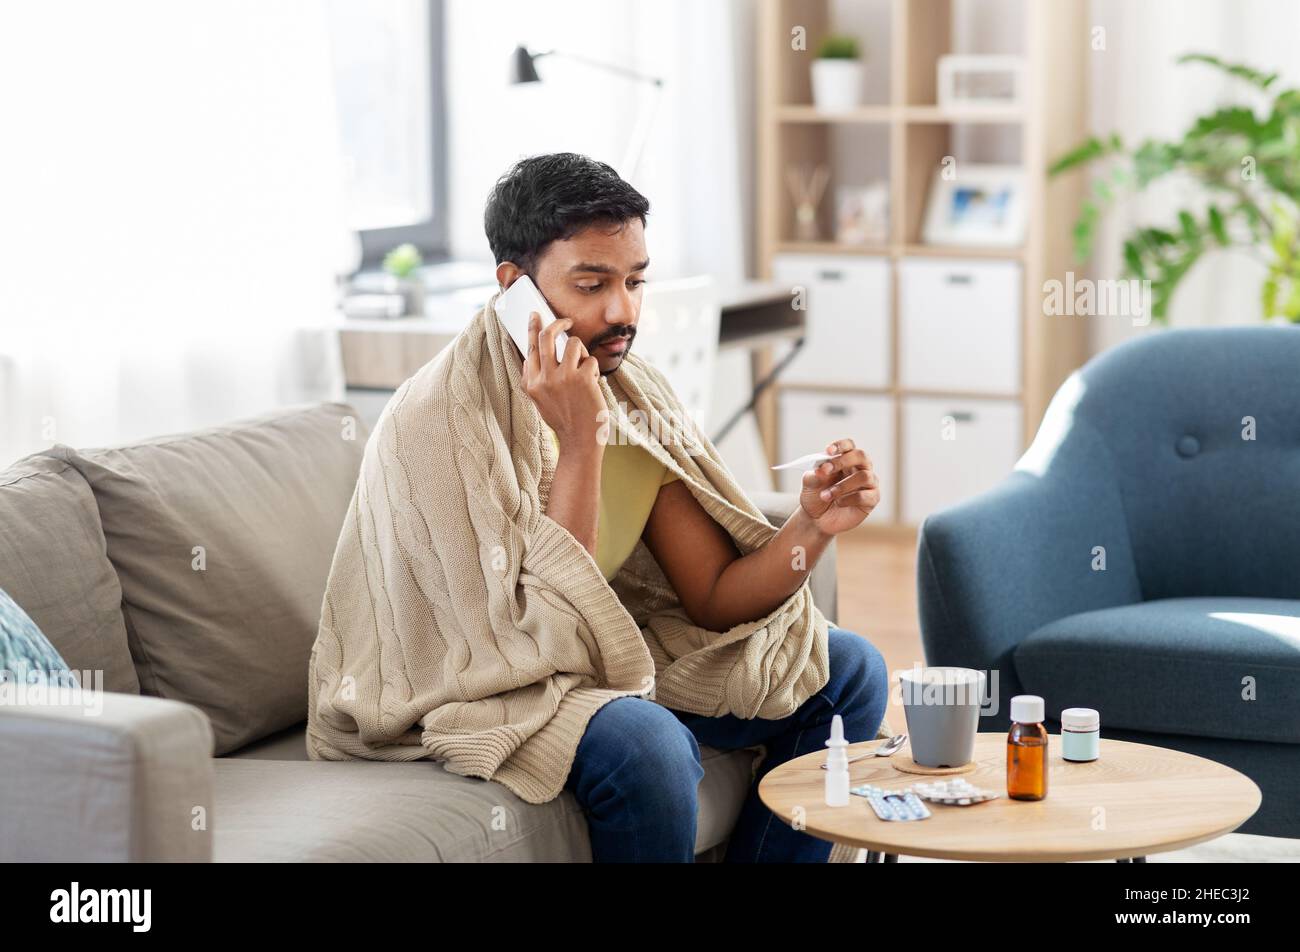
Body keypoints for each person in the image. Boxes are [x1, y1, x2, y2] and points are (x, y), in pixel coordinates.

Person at [485, 153, 889, 862]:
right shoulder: (462, 417)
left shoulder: (634, 398)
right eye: (591, 284)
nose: (623, 312)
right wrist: (581, 444)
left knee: (850, 668)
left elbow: (710, 595)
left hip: (613, 666)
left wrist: (812, 527)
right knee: (651, 745)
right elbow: (538, 638)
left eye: (635, 281)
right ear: (516, 288)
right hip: (515, 684)